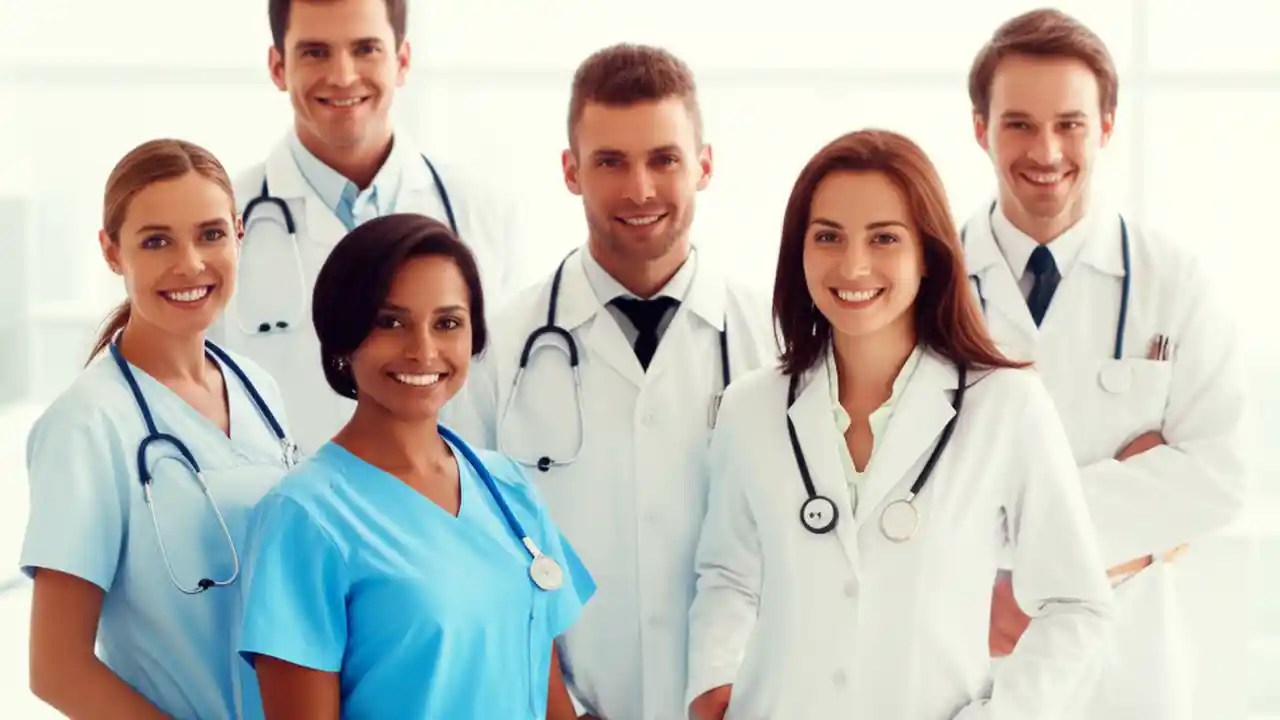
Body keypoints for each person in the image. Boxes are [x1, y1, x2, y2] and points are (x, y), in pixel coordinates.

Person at [684, 129, 1116, 719]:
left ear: (928, 256)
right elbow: (729, 574)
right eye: (828, 236)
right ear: (800, 251)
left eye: (884, 237)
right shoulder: (750, 408)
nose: (853, 264)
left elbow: (1076, 605)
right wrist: (713, 682)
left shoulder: (1005, 406)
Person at [441, 44, 776, 720]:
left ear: (704, 165)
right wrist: (554, 705)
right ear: (571, 171)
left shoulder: (774, 342)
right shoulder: (496, 351)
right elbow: (470, 561)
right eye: (611, 162)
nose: (641, 189)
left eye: (664, 159)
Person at [961, 10, 1248, 719]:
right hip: (968, 652)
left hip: (1128, 673)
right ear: (981, 129)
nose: (1046, 149)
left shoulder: (1172, 281)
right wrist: (1140, 490)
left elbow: (1220, 474)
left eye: (1071, 123)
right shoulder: (929, 283)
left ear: (1108, 126)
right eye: (1019, 123)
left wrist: (1025, 575)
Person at [236, 213, 594, 719]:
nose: (423, 350)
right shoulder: (305, 517)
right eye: (390, 322)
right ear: (343, 335)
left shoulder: (506, 486)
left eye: (447, 323)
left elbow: (549, 697)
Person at [19, 139, 294, 719]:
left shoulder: (258, 389)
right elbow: (56, 669)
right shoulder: (87, 424)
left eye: (211, 234)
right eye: (156, 241)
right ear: (112, 252)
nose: (190, 263)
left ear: (239, 235)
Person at [214, 0, 529, 454]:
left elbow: (506, 397)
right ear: (278, 66)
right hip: (282, 516)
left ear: (402, 61)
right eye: (315, 52)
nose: (342, 76)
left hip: (444, 516)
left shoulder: (483, 213)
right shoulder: (220, 224)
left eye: (366, 49)